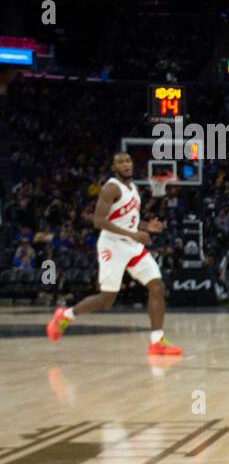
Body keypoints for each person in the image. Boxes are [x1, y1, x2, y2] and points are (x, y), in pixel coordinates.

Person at [46, 152, 182, 355]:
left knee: (157, 286)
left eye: (128, 161)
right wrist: (134, 235)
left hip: (131, 245)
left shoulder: (133, 188)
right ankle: (65, 315)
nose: (126, 164)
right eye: (121, 162)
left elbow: (130, 219)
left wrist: (148, 226)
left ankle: (157, 341)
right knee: (107, 299)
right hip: (112, 246)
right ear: (114, 168)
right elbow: (99, 221)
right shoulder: (110, 188)